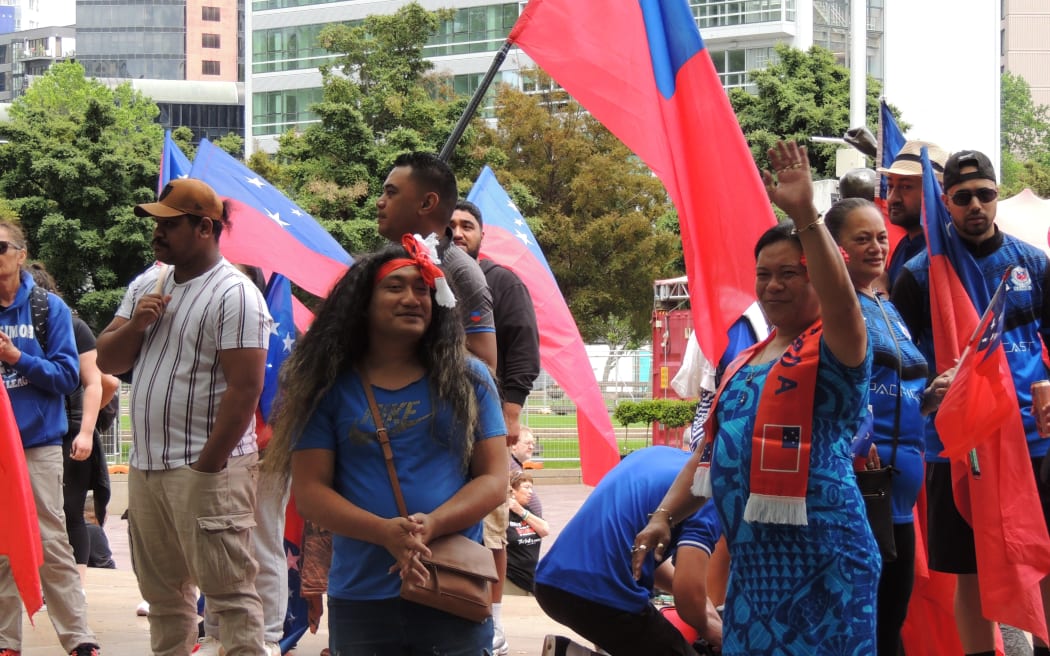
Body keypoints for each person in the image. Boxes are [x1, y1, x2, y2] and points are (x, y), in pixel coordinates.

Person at [633, 140, 877, 654]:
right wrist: (663, 516)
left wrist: (806, 214)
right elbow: (711, 454)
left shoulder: (838, 344)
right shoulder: (746, 361)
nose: (773, 286)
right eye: (763, 275)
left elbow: (841, 299)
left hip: (824, 561)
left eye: (790, 273)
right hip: (754, 568)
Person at [265, 241, 508, 655]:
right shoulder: (327, 387)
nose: (413, 299)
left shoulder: (470, 379)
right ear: (363, 302)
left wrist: (430, 526)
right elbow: (310, 493)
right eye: (395, 287)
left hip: (451, 588)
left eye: (423, 289)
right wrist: (383, 533)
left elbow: (494, 480)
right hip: (362, 598)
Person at [95, 178, 273, 656]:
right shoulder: (147, 283)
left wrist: (207, 468)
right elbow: (106, 360)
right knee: (163, 597)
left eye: (170, 225)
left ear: (205, 228)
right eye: (156, 223)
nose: (157, 233)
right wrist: (137, 324)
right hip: (149, 467)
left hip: (208, 468)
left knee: (229, 598)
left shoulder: (236, 293)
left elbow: (245, 389)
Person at [891, 149, 1050, 656]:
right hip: (958, 445)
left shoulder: (1033, 263)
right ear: (947, 203)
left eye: (985, 194)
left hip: (1031, 439)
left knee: (1045, 557)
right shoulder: (919, 275)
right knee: (969, 570)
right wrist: (930, 394)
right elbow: (904, 366)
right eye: (963, 198)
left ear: (997, 195)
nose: (976, 205)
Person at [824, 198, 949, 654]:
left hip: (899, 495)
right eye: (862, 238)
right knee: (867, 625)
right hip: (861, 489)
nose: (876, 246)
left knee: (890, 620)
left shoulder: (886, 305)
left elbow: (902, 395)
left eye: (881, 237)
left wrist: (932, 396)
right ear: (836, 249)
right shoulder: (835, 309)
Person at [0, 222, 101, 656]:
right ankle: (6, 641)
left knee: (51, 538)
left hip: (38, 444)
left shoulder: (48, 308)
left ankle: (78, 638)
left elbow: (66, 377)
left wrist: (16, 357)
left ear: (20, 255)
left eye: (0, 246)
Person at [451, 198, 542, 655]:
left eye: (467, 224)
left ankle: (494, 621)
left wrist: (510, 412)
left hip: (484, 422)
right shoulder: (420, 280)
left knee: (491, 524)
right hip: (435, 424)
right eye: (449, 225)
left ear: (482, 234)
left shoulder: (501, 282)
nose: (458, 231)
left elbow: (524, 345)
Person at [536, 446, 723, 656]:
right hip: (603, 593)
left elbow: (635, 555)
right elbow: (688, 592)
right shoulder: (708, 492)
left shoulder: (653, 454)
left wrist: (703, 604)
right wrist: (709, 627)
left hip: (552, 583)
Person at [197, 264, 291, 656]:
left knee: (264, 544)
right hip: (218, 452)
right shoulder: (207, 327)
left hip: (267, 451)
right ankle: (217, 631)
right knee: (218, 544)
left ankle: (267, 636)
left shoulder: (275, 327)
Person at [26, 262, 120, 587]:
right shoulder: (16, 329)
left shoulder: (71, 325)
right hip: (31, 431)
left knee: (69, 511)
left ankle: (75, 587)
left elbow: (102, 382)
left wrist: (85, 428)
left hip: (67, 432)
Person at [378, 153, 497, 370]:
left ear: (426, 203)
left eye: (391, 193)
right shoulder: (378, 264)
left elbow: (485, 367)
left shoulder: (462, 272)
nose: (380, 202)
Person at [877, 140, 949, 287]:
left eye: (905, 187)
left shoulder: (942, 252)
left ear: (936, 191)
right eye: (890, 186)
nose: (892, 198)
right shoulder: (905, 244)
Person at [505, 471, 548, 596]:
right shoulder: (503, 514)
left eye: (532, 488)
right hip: (511, 579)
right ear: (512, 490)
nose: (531, 492)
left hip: (530, 578)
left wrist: (520, 511)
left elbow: (545, 530)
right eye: (526, 487)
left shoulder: (527, 511)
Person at [509, 426, 543, 516]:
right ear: (513, 445)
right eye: (527, 443)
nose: (531, 447)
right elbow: (533, 504)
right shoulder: (511, 466)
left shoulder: (513, 463)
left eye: (533, 443)